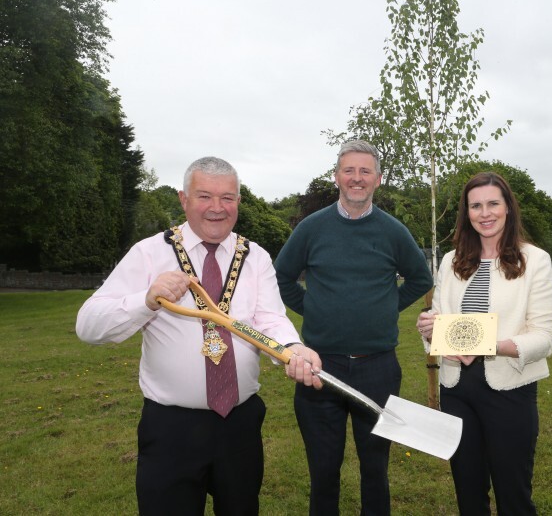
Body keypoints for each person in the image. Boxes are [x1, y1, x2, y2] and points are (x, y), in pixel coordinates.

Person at [76, 157, 322, 515]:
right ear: (183, 199)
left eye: (228, 198)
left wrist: (292, 349)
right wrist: (145, 301)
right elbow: (88, 325)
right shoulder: (150, 253)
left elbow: (270, 319)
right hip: (171, 428)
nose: (217, 208)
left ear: (238, 201)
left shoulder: (255, 257)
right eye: (205, 196)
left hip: (239, 425)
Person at [274, 140, 433, 515]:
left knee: (375, 468)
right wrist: (310, 307)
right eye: (349, 171)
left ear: (377, 179)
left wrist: (385, 307)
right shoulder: (312, 228)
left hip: (377, 367)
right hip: (319, 369)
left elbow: (419, 278)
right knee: (323, 470)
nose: (357, 178)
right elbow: (279, 278)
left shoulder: (393, 231)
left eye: (365, 172)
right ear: (337, 177)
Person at [416, 172, 552, 515]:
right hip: (456, 388)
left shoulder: (534, 260)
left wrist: (486, 344)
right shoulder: (452, 261)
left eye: (493, 203)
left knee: (514, 495)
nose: (485, 213)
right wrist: (429, 331)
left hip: (508, 388)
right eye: (476, 206)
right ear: (467, 213)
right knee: (468, 494)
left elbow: (545, 337)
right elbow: (441, 324)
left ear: (508, 208)